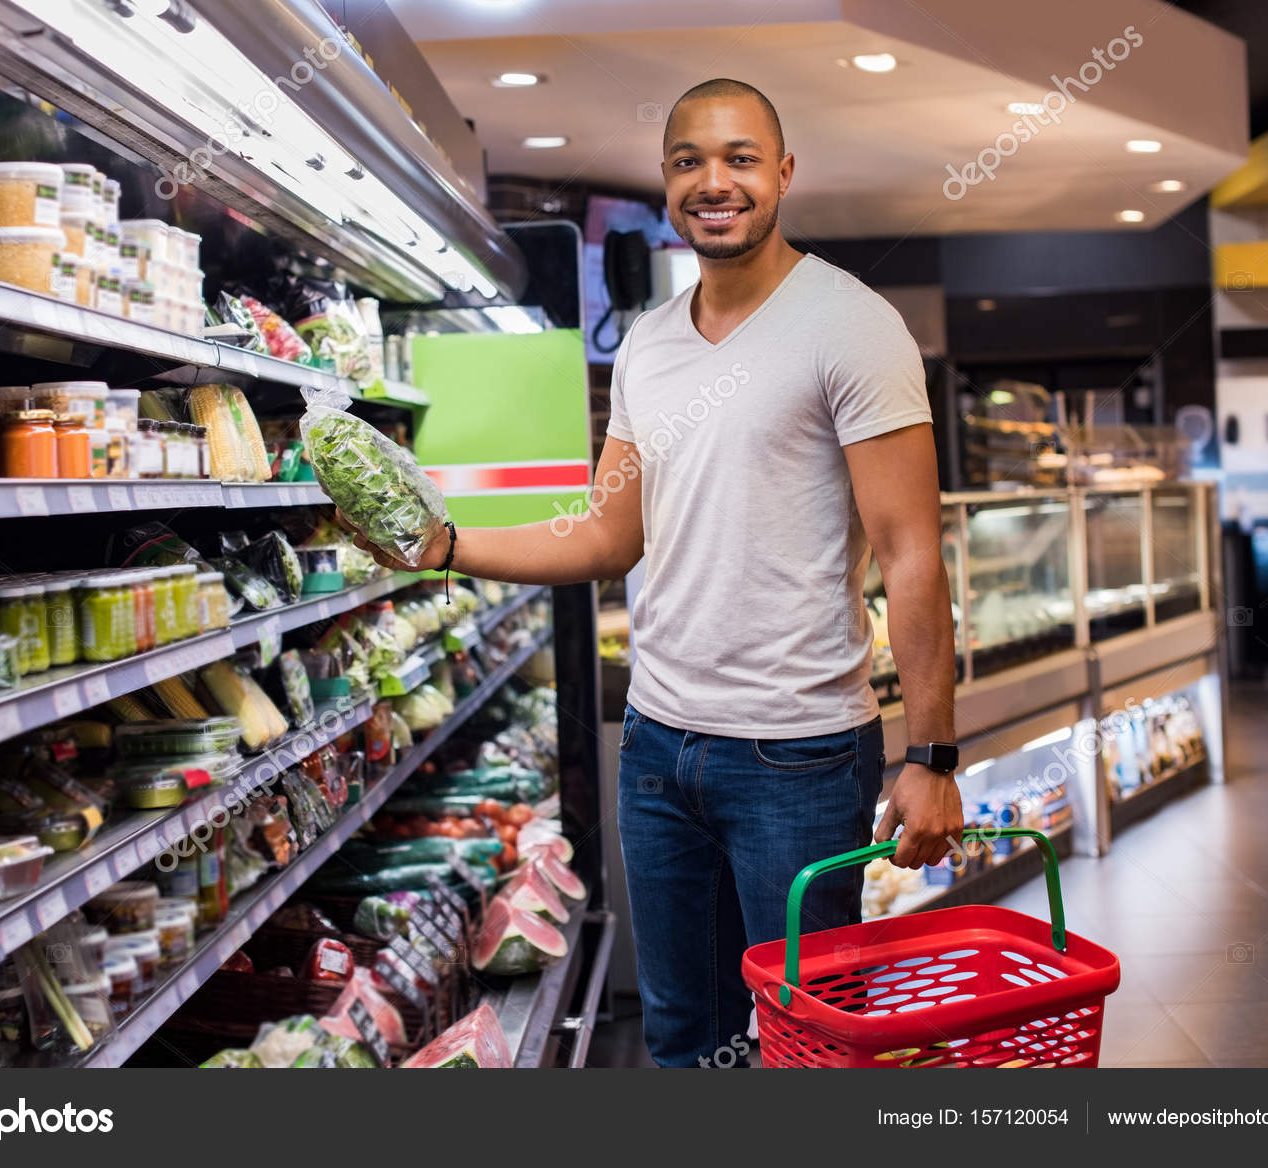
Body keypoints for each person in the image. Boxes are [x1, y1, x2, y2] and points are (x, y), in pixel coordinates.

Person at [340, 78, 964, 1067]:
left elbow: (912, 556)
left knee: (809, 1042)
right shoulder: (648, 346)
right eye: (687, 162)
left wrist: (932, 758)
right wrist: (445, 545)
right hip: (661, 747)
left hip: (796, 753)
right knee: (682, 1037)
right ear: (666, 181)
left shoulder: (851, 325)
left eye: (739, 159)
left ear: (783, 173)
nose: (713, 182)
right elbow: (604, 536)